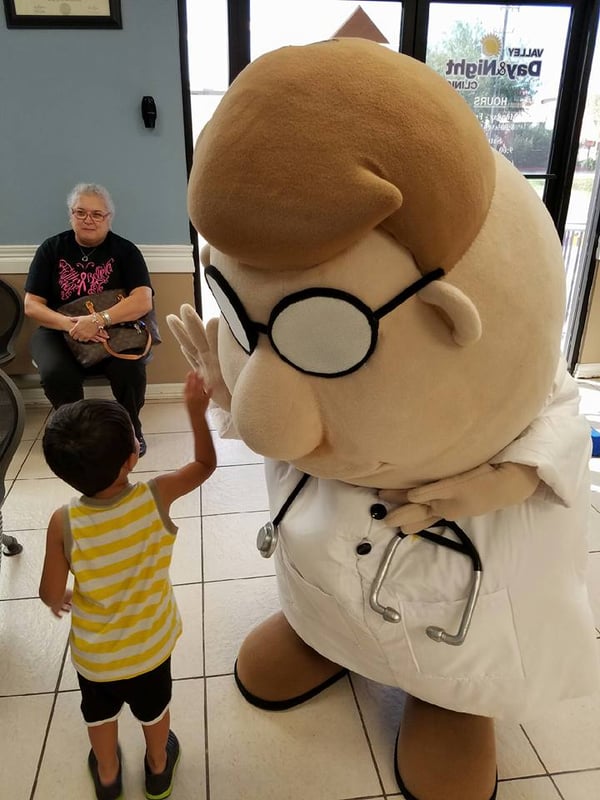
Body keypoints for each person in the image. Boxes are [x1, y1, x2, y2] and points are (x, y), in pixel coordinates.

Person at [38, 371, 216, 800]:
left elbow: (49, 594)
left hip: (96, 658)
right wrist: (196, 412)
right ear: (131, 459)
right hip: (151, 645)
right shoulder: (157, 496)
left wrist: (63, 596)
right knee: (154, 712)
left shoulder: (64, 522)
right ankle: (157, 767)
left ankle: (107, 773)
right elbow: (205, 466)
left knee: (99, 716)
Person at [24, 182, 154, 456]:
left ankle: (131, 430)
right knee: (57, 374)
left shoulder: (126, 251)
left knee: (130, 369)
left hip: (112, 329)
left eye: (97, 214)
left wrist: (97, 320)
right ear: (70, 215)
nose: (88, 220)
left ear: (109, 217)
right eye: (80, 212)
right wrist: (71, 325)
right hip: (58, 329)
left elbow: (143, 300)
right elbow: (32, 305)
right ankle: (76, 434)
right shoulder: (51, 249)